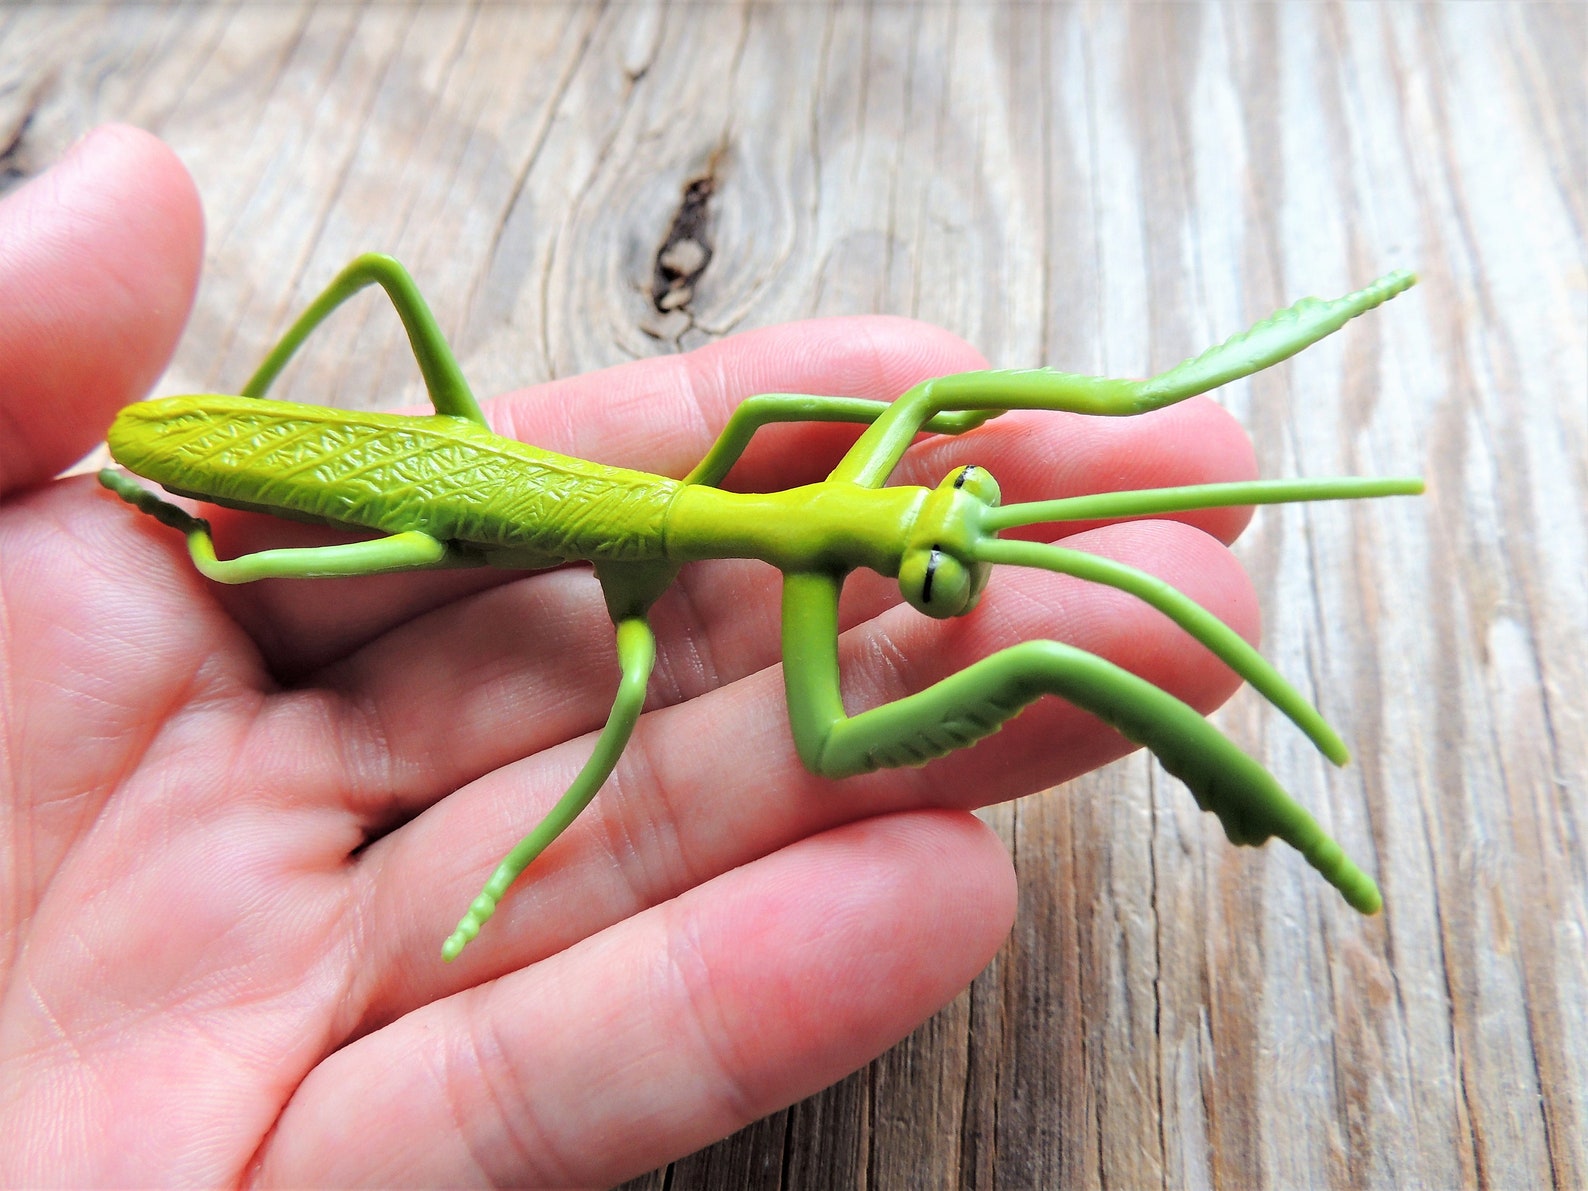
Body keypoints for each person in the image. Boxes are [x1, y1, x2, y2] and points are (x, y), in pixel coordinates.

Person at [0, 126, 1261, 1186]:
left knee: (391, 307)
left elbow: (815, 418)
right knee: (251, 551)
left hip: (482, 491)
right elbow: (656, 716)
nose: (946, 549)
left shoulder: (768, 477)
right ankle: (194, 532)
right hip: (443, 509)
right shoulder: (731, 558)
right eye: (937, 543)